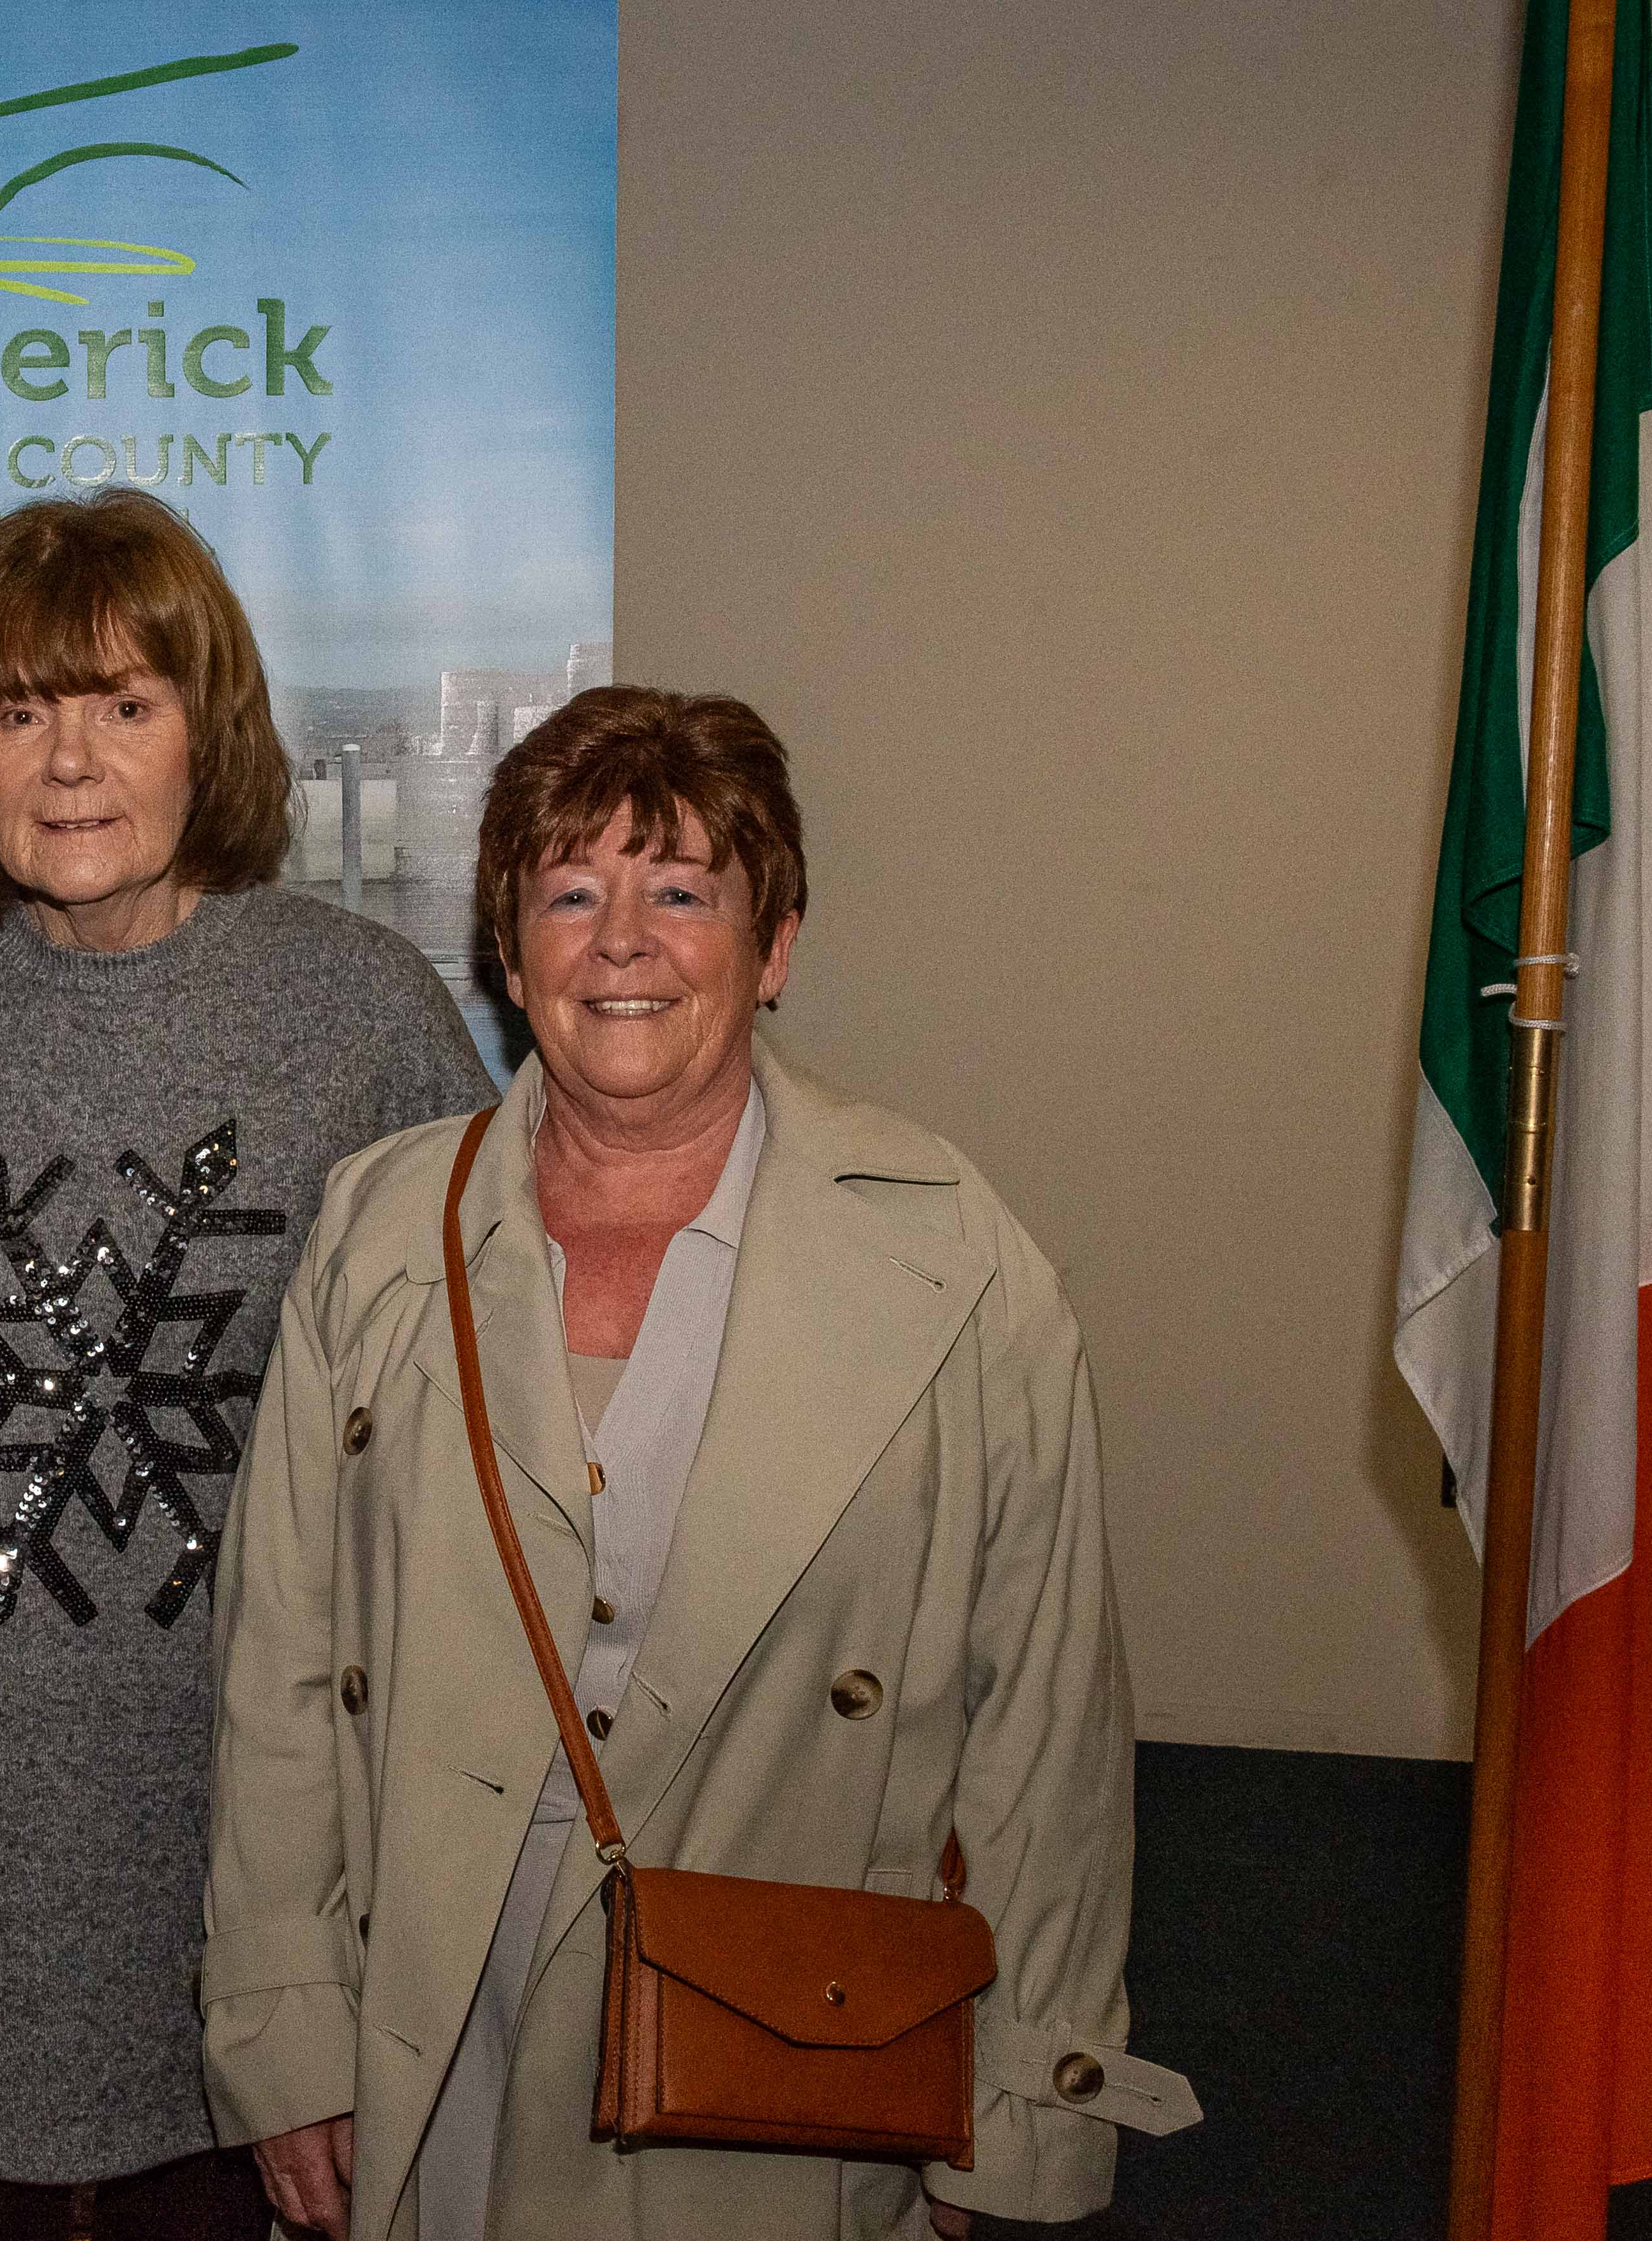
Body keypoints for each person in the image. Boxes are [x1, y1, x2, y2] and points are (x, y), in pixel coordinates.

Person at [202, 686, 1185, 2240]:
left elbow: (1045, 1734)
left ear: (772, 944)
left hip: (783, 2049)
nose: (621, 941)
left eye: (681, 892)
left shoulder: (950, 1259)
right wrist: (284, 2030)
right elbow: (281, 1666)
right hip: (435, 2004)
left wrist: (1015, 2123)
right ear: (510, 953)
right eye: (570, 892)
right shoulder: (382, 1230)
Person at [0, 491, 493, 2240]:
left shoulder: (359, 1017)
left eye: (123, 704)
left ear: (208, 730)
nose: (69, 761)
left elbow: (486, 1441)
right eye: (18, 709)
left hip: (264, 1855)